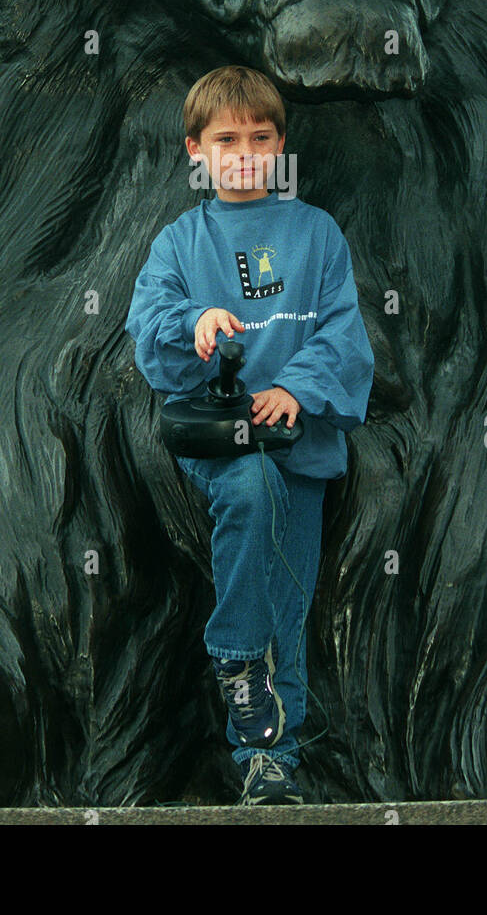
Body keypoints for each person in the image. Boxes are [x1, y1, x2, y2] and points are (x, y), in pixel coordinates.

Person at [125, 64, 374, 805]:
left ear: (279, 145)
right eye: (225, 138)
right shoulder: (178, 242)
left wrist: (294, 388)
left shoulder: (316, 233)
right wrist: (192, 324)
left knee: (288, 600)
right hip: (220, 445)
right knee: (251, 482)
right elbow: (148, 330)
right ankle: (235, 657)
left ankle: (270, 760)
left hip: (298, 445)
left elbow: (343, 336)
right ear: (195, 150)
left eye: (259, 137)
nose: (243, 151)